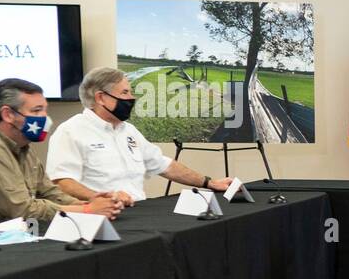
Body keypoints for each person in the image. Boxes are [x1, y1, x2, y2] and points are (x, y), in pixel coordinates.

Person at [46, 68, 233, 205]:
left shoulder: (129, 131)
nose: (132, 98)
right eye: (125, 93)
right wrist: (103, 197)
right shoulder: (71, 131)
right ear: (101, 98)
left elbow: (164, 165)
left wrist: (209, 182)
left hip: (138, 212)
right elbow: (61, 182)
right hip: (100, 217)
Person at [0, 78, 122, 227]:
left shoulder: (22, 145)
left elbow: (49, 192)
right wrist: (87, 210)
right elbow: (22, 209)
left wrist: (95, 204)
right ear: (8, 114)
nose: (44, 117)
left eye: (44, 110)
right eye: (36, 110)